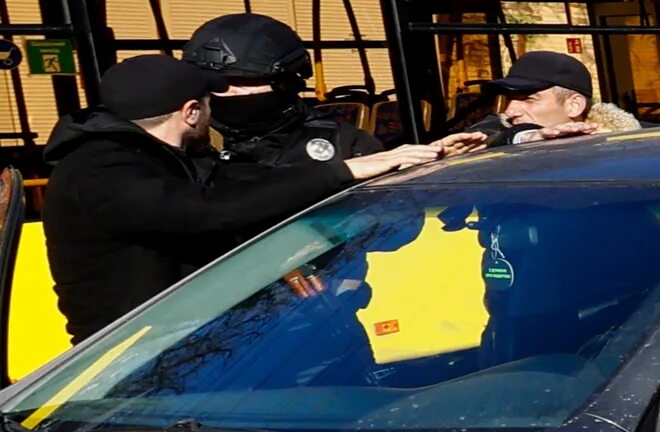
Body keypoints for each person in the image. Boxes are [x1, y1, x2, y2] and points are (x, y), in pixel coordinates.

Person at [40, 54, 438, 339]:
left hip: (190, 344)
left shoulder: (162, 158)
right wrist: (345, 169)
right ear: (192, 111)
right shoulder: (101, 169)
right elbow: (208, 212)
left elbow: (246, 193)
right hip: (131, 359)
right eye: (211, 104)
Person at [182, 13, 378, 170]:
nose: (228, 91)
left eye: (243, 81)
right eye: (216, 84)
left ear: (286, 84)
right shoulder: (182, 145)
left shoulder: (345, 145)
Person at [444, 50, 640, 150]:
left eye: (528, 99)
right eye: (510, 99)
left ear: (574, 105)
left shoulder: (643, 142)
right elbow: (482, 135)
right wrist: (526, 136)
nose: (511, 111)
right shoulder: (499, 131)